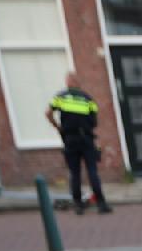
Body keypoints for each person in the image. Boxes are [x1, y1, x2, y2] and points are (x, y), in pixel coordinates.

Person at [46, 72, 111, 215]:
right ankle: (101, 204)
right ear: (78, 83)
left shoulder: (60, 97)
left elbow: (48, 113)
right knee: (92, 171)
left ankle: (78, 205)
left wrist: (58, 127)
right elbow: (94, 122)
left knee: (75, 172)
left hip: (70, 138)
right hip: (86, 138)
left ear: (68, 82)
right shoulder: (88, 99)